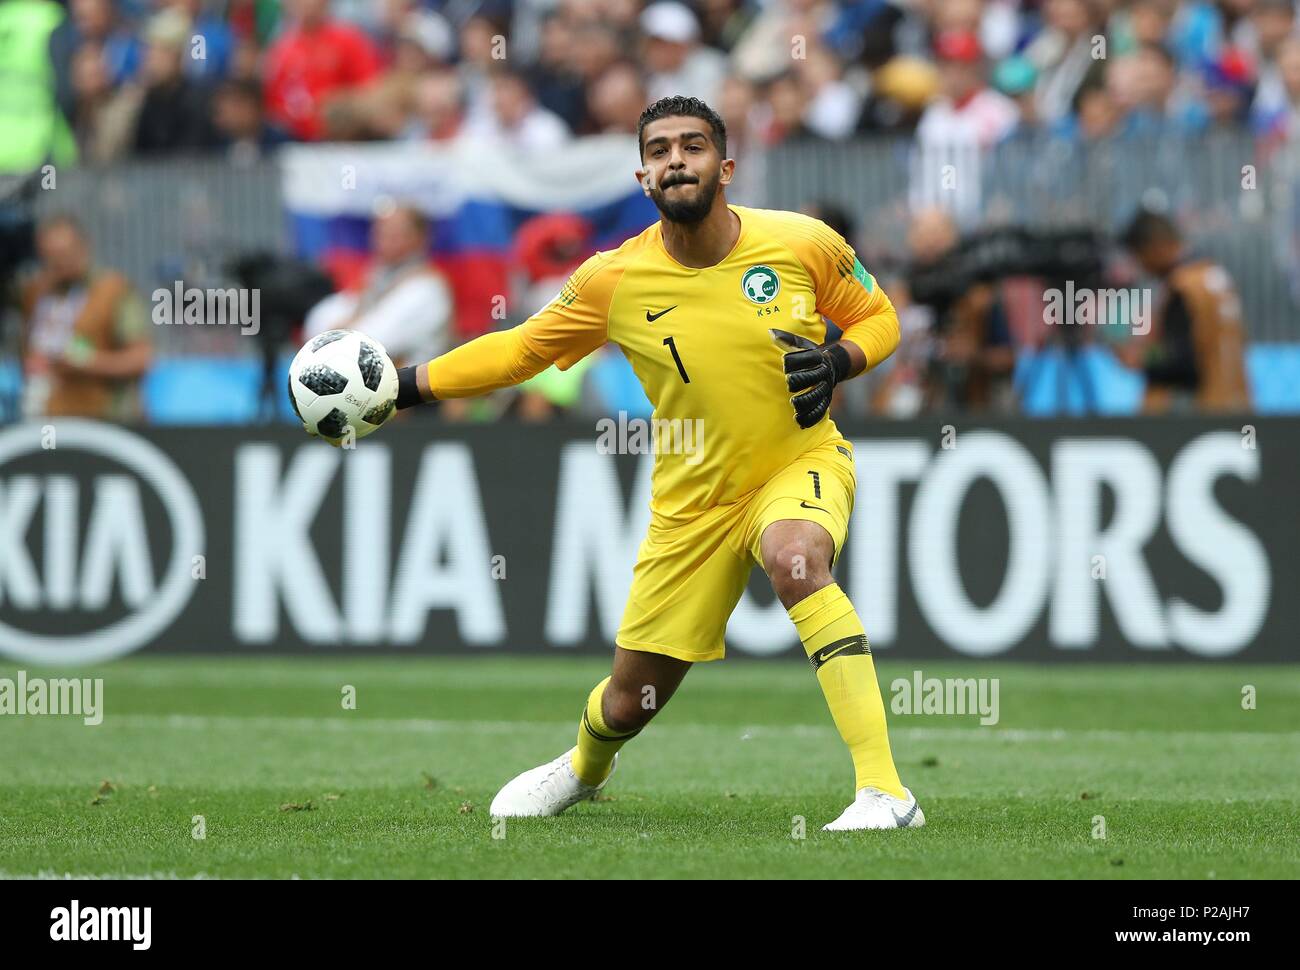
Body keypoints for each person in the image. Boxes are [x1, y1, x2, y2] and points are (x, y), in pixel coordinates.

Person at [364, 96, 922, 831]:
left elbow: (882, 316)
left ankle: (885, 792)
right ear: (642, 175)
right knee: (629, 701)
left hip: (799, 461)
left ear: (725, 167)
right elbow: (522, 349)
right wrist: (405, 387)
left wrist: (841, 358)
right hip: (691, 503)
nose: (675, 160)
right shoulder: (612, 279)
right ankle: (584, 768)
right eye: (659, 150)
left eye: (692, 146)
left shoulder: (801, 242)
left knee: (797, 560)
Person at [19, 214, 152, 420]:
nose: (59, 263)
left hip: (105, 419)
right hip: (47, 416)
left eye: (64, 254)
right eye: (50, 256)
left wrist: (87, 362)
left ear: (83, 247)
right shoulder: (36, 293)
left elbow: (141, 358)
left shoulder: (113, 291)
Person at [1118, 208, 1251, 413]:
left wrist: (1139, 354)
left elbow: (1181, 362)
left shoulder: (1183, 287)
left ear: (1155, 246)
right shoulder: (1214, 277)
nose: (1143, 267)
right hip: (1236, 404)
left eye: (1140, 256)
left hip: (1203, 417)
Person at [303, 203, 452, 367]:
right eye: (380, 231)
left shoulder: (426, 288)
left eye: (395, 233)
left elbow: (369, 344)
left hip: (407, 389)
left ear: (418, 238)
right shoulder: (377, 278)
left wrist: (330, 336)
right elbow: (318, 320)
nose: (383, 239)